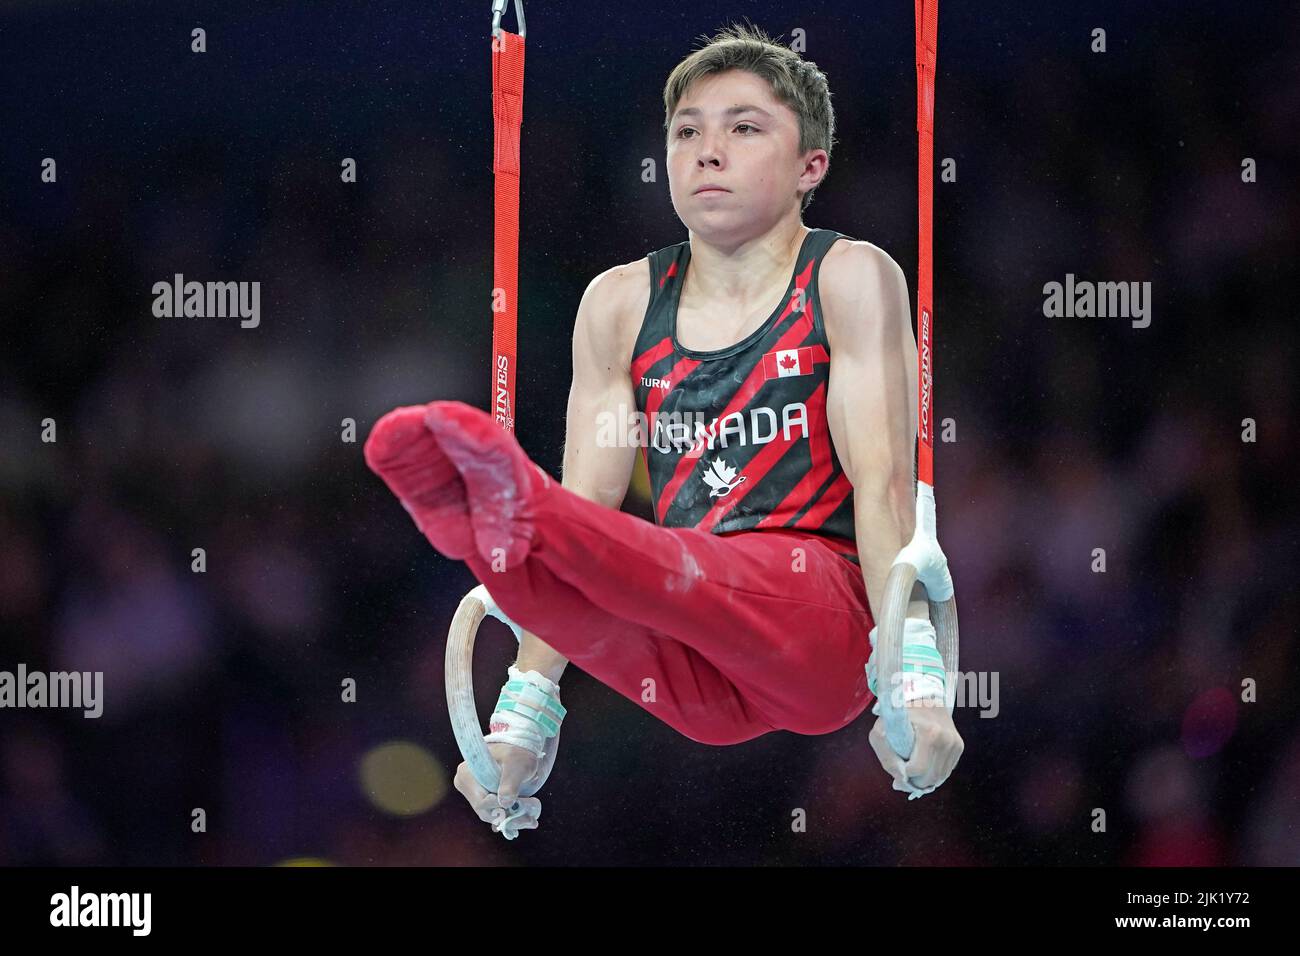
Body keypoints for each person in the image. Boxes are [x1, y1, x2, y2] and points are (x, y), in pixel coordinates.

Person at [365, 22, 963, 834]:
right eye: (687, 132)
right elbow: (592, 518)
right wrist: (522, 718)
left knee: (643, 559)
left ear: (809, 167)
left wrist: (914, 684)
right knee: (567, 567)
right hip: (697, 668)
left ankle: (503, 507)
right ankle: (482, 533)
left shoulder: (849, 276)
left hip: (819, 626)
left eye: (744, 128)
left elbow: (886, 484)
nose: (706, 151)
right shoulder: (618, 303)